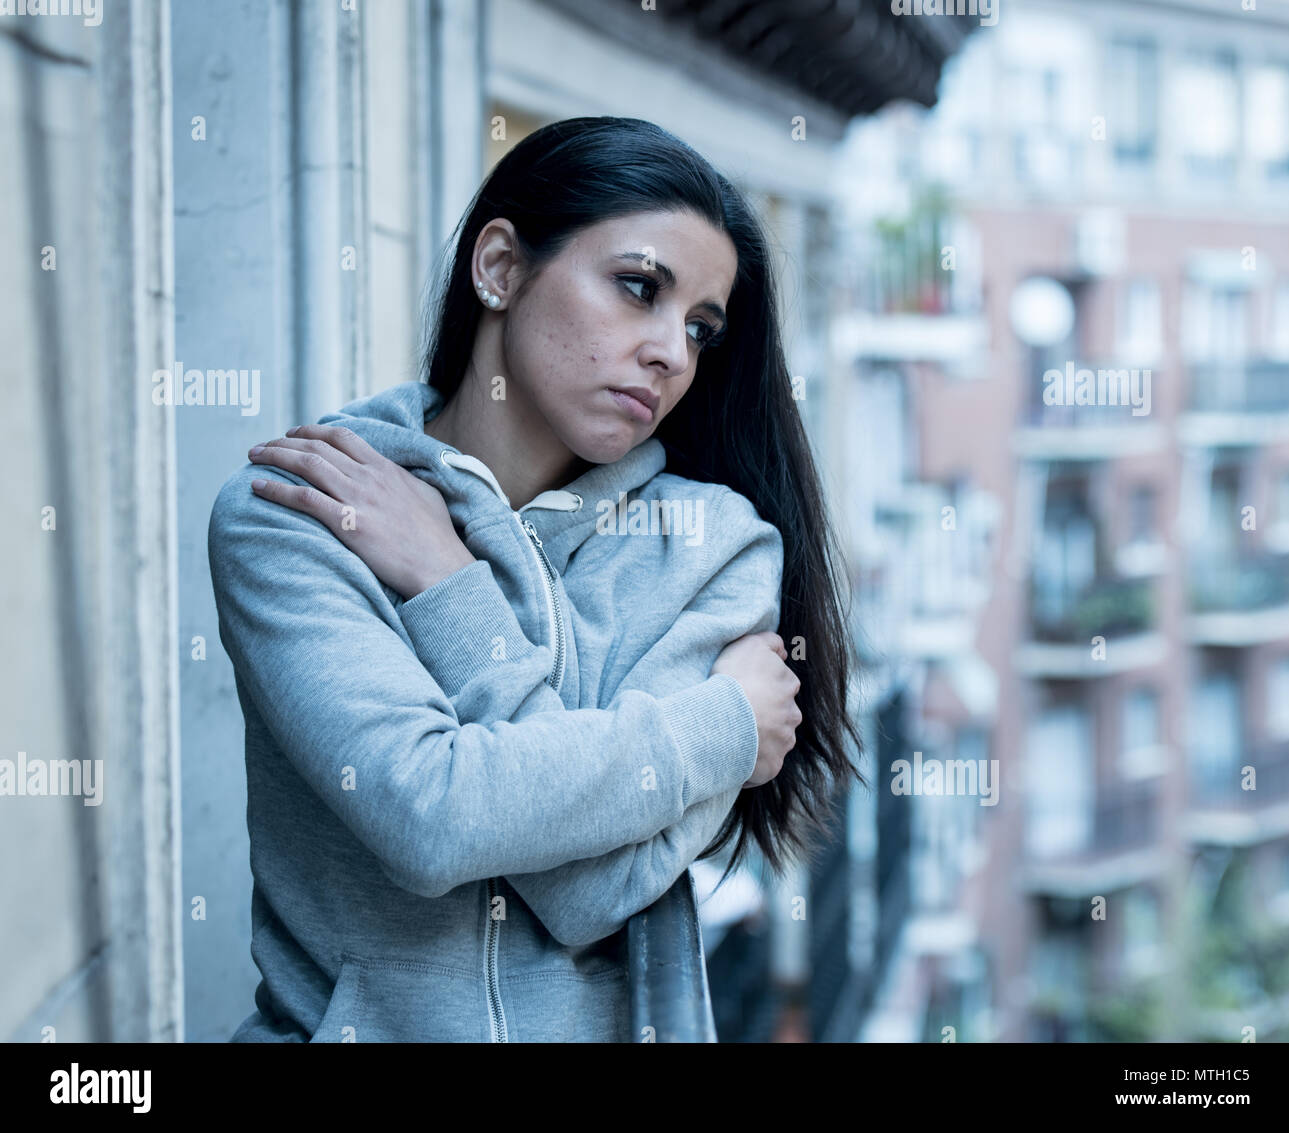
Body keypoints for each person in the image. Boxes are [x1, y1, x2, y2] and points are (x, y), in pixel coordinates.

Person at [208, 115, 864, 1043]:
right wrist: (720, 725)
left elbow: (590, 889)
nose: (672, 352)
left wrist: (445, 580)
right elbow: (430, 816)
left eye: (699, 328)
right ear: (502, 268)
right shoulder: (300, 512)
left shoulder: (712, 547)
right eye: (638, 288)